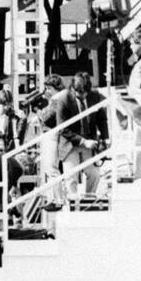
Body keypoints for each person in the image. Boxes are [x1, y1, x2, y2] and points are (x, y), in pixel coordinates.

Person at [40, 74, 83, 202]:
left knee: (51, 168)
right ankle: (55, 198)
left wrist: (39, 110)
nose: (47, 91)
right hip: (55, 135)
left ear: (54, 87)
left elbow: (47, 118)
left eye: (48, 88)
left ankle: (56, 199)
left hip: (52, 135)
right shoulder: (63, 97)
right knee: (51, 168)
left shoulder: (57, 99)